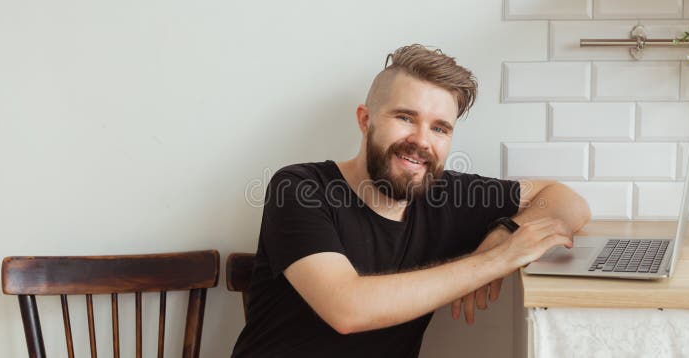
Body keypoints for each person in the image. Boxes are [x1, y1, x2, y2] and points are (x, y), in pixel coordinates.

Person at [231, 44, 591, 357]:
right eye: (405, 117)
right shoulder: (299, 187)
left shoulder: (450, 195)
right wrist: (499, 259)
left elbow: (567, 201)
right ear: (365, 120)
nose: (421, 141)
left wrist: (504, 230)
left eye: (439, 128)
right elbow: (347, 309)